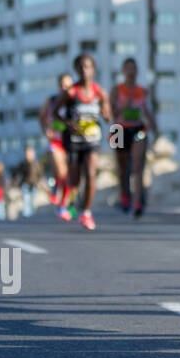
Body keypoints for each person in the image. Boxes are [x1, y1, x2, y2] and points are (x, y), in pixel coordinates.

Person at [60, 53, 112, 231]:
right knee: (74, 178)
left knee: (90, 173)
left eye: (88, 66)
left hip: (92, 139)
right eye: (81, 67)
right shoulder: (71, 92)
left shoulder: (99, 92)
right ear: (76, 70)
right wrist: (68, 124)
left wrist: (106, 114)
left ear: (93, 69)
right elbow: (54, 112)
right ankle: (71, 204)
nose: (84, 70)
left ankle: (87, 213)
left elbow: (108, 114)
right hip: (74, 140)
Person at [112, 57, 159, 218]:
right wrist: (125, 106)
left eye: (133, 68)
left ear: (137, 71)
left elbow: (147, 110)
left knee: (138, 166)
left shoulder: (142, 91)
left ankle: (138, 202)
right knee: (122, 168)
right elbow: (111, 113)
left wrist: (155, 128)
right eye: (128, 68)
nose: (131, 71)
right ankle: (124, 195)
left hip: (138, 128)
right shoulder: (117, 90)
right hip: (118, 129)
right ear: (123, 71)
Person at [39, 73, 74, 217]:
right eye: (62, 85)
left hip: (71, 141)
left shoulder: (74, 101)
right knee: (60, 170)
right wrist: (46, 131)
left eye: (68, 85)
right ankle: (54, 185)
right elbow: (42, 117)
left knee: (68, 175)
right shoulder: (52, 101)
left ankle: (64, 204)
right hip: (55, 141)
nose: (65, 88)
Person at [13, 146, 45, 220]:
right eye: (27, 153)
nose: (28, 155)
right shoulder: (23, 164)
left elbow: (40, 174)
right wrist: (16, 180)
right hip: (25, 184)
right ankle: (27, 215)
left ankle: (32, 215)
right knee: (26, 199)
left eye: (30, 153)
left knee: (33, 200)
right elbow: (17, 173)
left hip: (34, 184)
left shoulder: (36, 164)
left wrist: (41, 182)